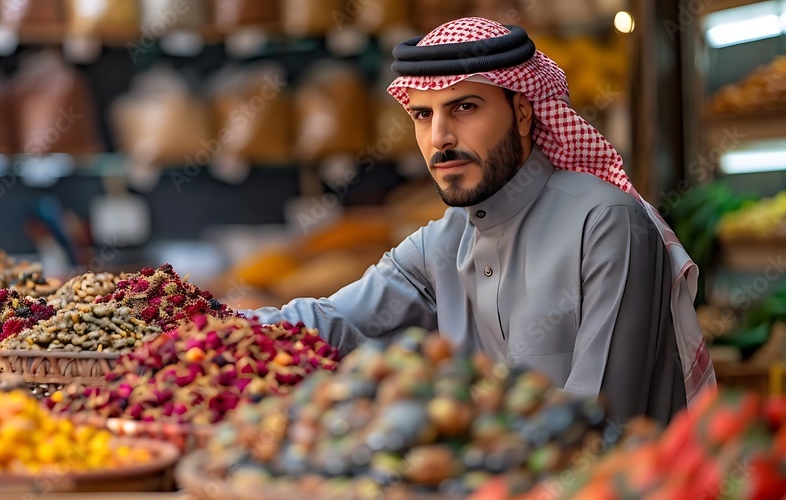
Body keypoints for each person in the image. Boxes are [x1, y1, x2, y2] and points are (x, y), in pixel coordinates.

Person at [245, 18, 716, 423]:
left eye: (464, 107)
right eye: (422, 115)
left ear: (524, 113)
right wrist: (195, 326)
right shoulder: (442, 242)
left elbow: (600, 419)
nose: (441, 137)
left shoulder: (607, 222)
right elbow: (330, 324)